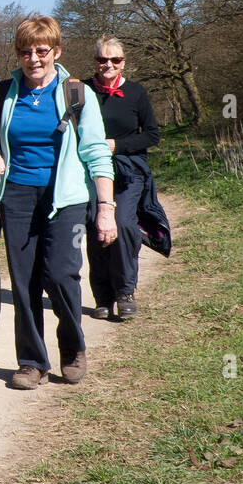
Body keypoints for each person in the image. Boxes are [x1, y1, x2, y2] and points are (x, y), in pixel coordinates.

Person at [0, 15, 116, 389]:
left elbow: (97, 153)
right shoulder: (3, 93)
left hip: (67, 198)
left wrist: (106, 208)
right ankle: (31, 362)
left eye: (42, 51)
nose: (34, 59)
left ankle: (72, 348)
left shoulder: (77, 93)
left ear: (56, 51)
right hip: (18, 196)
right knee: (23, 282)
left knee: (59, 275)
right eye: (25, 51)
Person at [84, 35, 159, 320]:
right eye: (103, 59)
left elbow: (152, 134)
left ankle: (125, 292)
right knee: (95, 228)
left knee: (124, 226)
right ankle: (102, 296)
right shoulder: (80, 90)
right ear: (96, 61)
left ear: (123, 63)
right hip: (91, 170)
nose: (108, 64)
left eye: (115, 60)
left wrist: (117, 145)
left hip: (128, 171)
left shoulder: (137, 92)